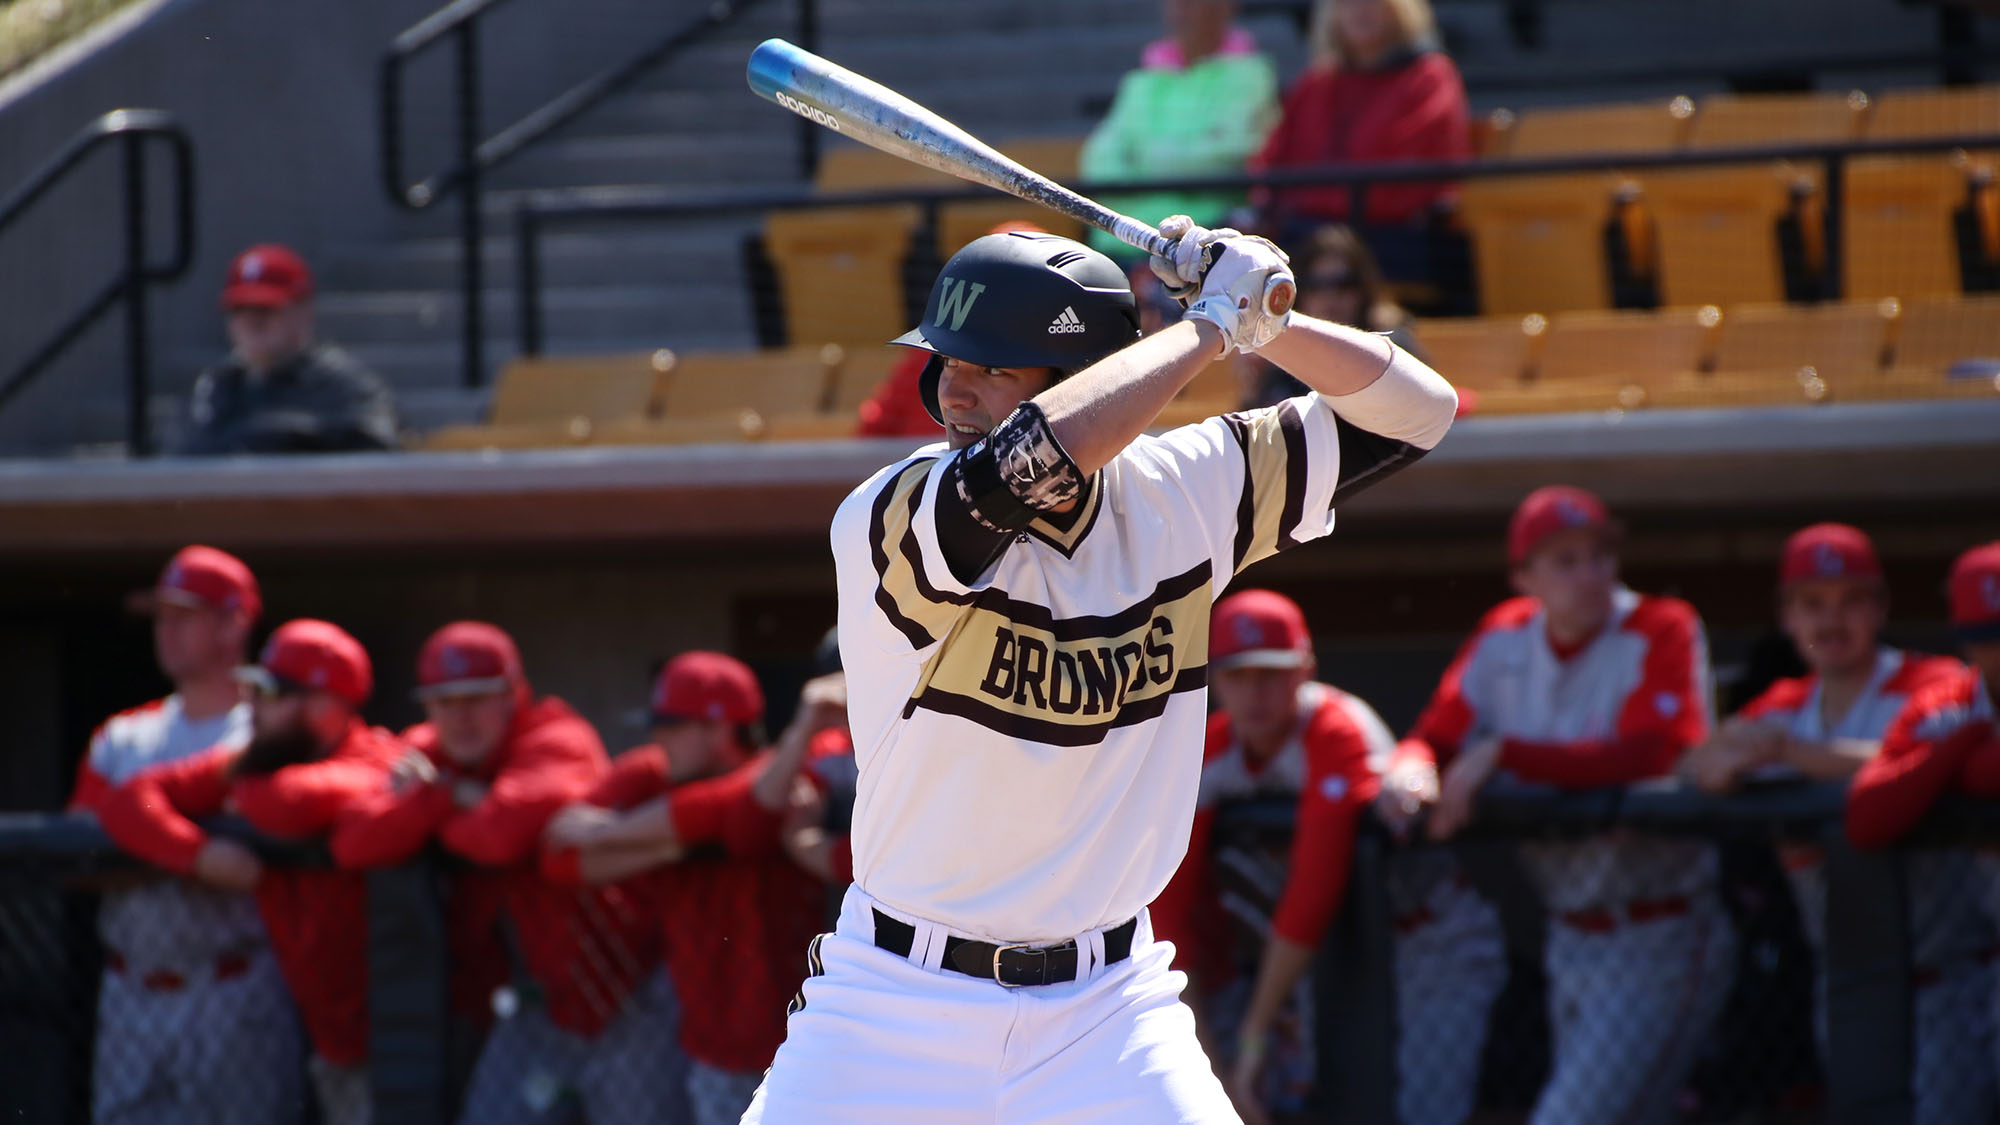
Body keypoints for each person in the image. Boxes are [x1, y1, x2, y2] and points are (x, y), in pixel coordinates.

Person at [744, 212, 1455, 1125]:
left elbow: (1419, 412)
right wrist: (1206, 329)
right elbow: (1021, 465)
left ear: (1082, 372)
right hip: (894, 1000)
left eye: (991, 367)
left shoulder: (1186, 488)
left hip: (1106, 1007)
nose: (954, 392)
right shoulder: (893, 509)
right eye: (947, 361)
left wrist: (1268, 320)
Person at [1408, 485, 1732, 1125]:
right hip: (1568, 932)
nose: (1591, 574)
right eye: (1565, 560)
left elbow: (1653, 752)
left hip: (1659, 927)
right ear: (1523, 577)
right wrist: (1410, 769)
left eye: (1599, 554)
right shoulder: (1504, 636)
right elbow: (1434, 739)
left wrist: (1505, 755)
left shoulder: (1661, 625)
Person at [1152, 590, 1505, 1125]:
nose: (1255, 692)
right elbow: (1170, 910)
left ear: (1306, 670)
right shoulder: (1212, 747)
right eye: (1237, 674)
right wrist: (1213, 1061)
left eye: (1272, 672)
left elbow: (1312, 894)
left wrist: (1251, 1038)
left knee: (1421, 1110)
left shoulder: (1338, 727)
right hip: (1313, 963)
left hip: (1427, 942)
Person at [329, 621, 684, 1125]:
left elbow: (499, 837)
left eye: (477, 697)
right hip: (539, 1008)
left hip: (633, 994)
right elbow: (354, 842)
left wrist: (436, 797)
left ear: (514, 695)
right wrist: (454, 796)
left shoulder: (556, 735)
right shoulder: (430, 754)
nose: (461, 717)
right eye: (444, 701)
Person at [1686, 524, 1983, 1122]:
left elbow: (1919, 761)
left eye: (1851, 601)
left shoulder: (1935, 682)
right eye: (1812, 604)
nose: (1832, 621)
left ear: (1880, 608)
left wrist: (1790, 756)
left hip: (1951, 977)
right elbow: (1698, 762)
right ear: (1787, 618)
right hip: (1845, 980)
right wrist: (1730, 762)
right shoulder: (1787, 701)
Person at [96, 619, 404, 1125]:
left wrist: (236, 790)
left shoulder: (376, 759)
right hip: (337, 1038)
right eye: (254, 689)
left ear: (326, 708)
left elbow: (287, 805)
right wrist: (196, 853)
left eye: (272, 693)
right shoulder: (262, 761)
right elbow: (127, 798)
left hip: (407, 1029)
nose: (252, 707)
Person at [67, 545, 305, 1125]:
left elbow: (268, 851)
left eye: (184, 616)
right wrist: (190, 850)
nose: (166, 631)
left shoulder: (267, 732)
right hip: (132, 990)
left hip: (235, 984)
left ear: (235, 623)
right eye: (162, 617)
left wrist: (142, 839)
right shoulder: (123, 738)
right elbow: (76, 860)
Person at [543, 651, 828, 1125]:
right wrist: (671, 845)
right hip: (705, 1042)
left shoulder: (786, 777)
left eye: (672, 725)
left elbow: (743, 816)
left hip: (799, 1040)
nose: (658, 736)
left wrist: (616, 833)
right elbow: (558, 857)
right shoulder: (653, 777)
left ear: (719, 730)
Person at [1846, 543, 2000, 1094]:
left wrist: (1965, 766)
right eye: (1988, 637)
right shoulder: (1948, 706)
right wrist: (1955, 751)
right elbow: (1867, 816)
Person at [1249, 0, 1470, 242]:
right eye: (1347, 3)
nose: (1361, 11)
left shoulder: (1428, 78)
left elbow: (1408, 180)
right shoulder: (1319, 83)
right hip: (1308, 228)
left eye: (1375, 3)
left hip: (1394, 233)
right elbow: (1273, 161)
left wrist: (1313, 201)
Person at [1079, 0, 1278, 260]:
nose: (1181, 8)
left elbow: (1232, 153)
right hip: (1121, 245)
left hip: (1202, 248)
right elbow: (1097, 163)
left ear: (1225, 7)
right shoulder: (1140, 81)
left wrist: (1140, 161)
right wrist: (1176, 165)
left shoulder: (1252, 74)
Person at [169, 243, 399, 455]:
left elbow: (378, 450)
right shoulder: (218, 386)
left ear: (304, 312)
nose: (252, 321)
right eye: (240, 309)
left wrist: (290, 438)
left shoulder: (344, 384)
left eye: (265, 309)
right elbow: (183, 459)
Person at [1240, 225, 1426, 408]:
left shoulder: (1393, 347)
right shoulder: (1283, 361)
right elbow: (1259, 433)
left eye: (1344, 284)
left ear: (1363, 290)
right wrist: (1254, 388)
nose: (1331, 297)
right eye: (1317, 285)